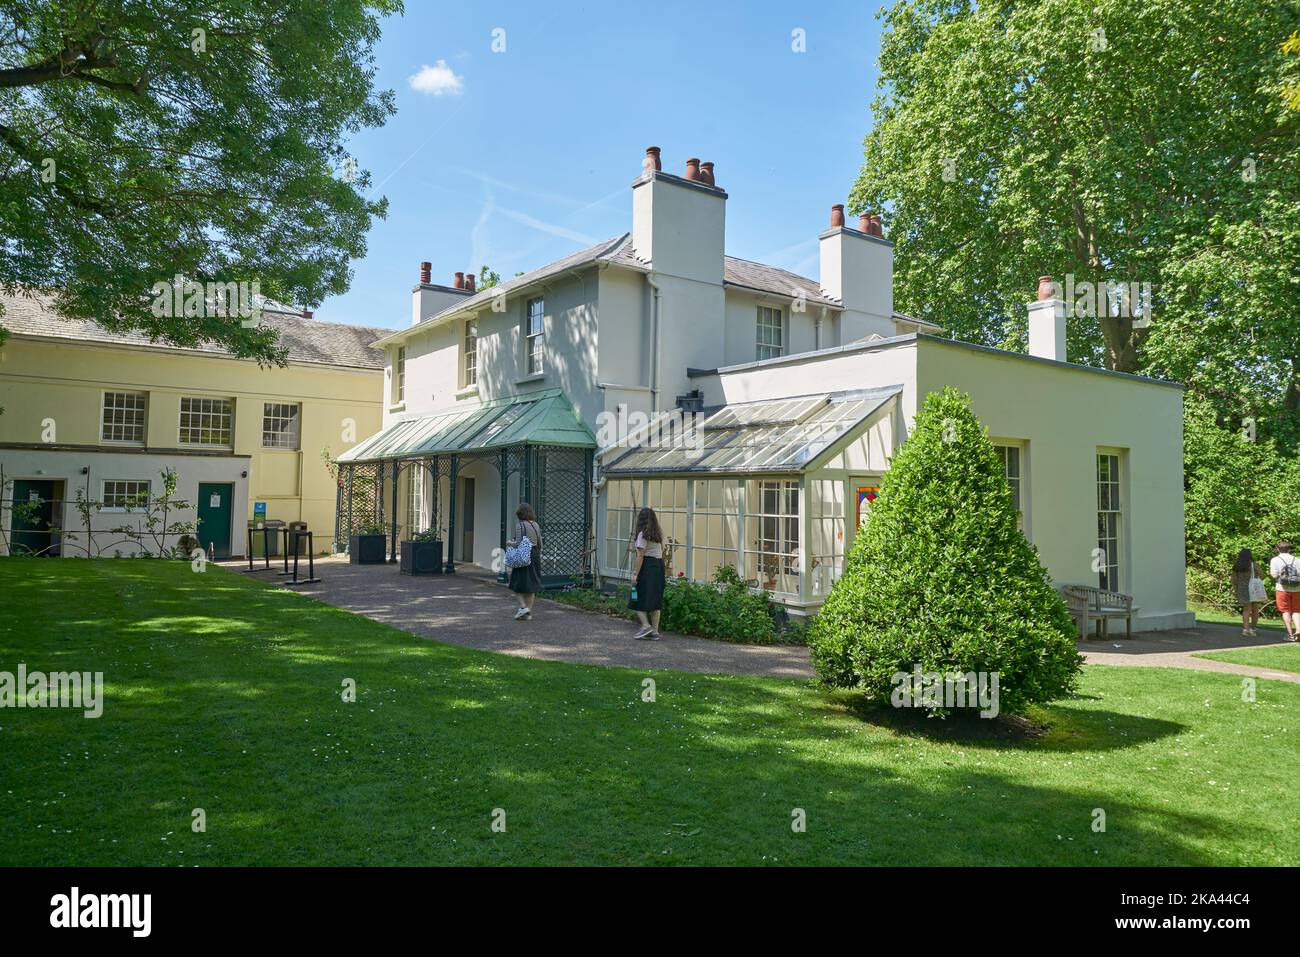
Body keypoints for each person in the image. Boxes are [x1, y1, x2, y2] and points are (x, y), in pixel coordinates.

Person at [628, 507, 666, 640]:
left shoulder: (642, 535)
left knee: (636, 597)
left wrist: (635, 574)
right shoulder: (659, 534)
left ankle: (645, 625)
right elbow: (664, 549)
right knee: (655, 599)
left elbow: (640, 556)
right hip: (659, 566)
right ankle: (655, 632)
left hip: (647, 567)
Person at [506, 503, 542, 620]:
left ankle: (523, 607)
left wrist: (510, 543)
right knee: (532, 584)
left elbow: (518, 543)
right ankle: (528, 613)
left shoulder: (520, 525)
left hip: (523, 556)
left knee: (516, 583)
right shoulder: (536, 524)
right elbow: (540, 542)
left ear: (520, 513)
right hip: (535, 554)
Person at [1269, 541, 1300, 641]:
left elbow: (1274, 575)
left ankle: (1291, 635)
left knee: (1285, 611)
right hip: (1297, 588)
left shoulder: (1275, 560)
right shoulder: (1297, 560)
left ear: (1277, 549)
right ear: (1289, 549)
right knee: (1296, 610)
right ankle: (1298, 629)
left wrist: (1282, 577)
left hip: (1282, 588)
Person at [1231, 548, 1264, 637]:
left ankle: (1246, 629)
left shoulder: (1237, 566)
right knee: (1255, 609)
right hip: (1254, 589)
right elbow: (1262, 576)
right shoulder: (1254, 565)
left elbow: (1233, 580)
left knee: (1246, 609)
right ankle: (1253, 628)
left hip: (1242, 589)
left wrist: (1236, 590)